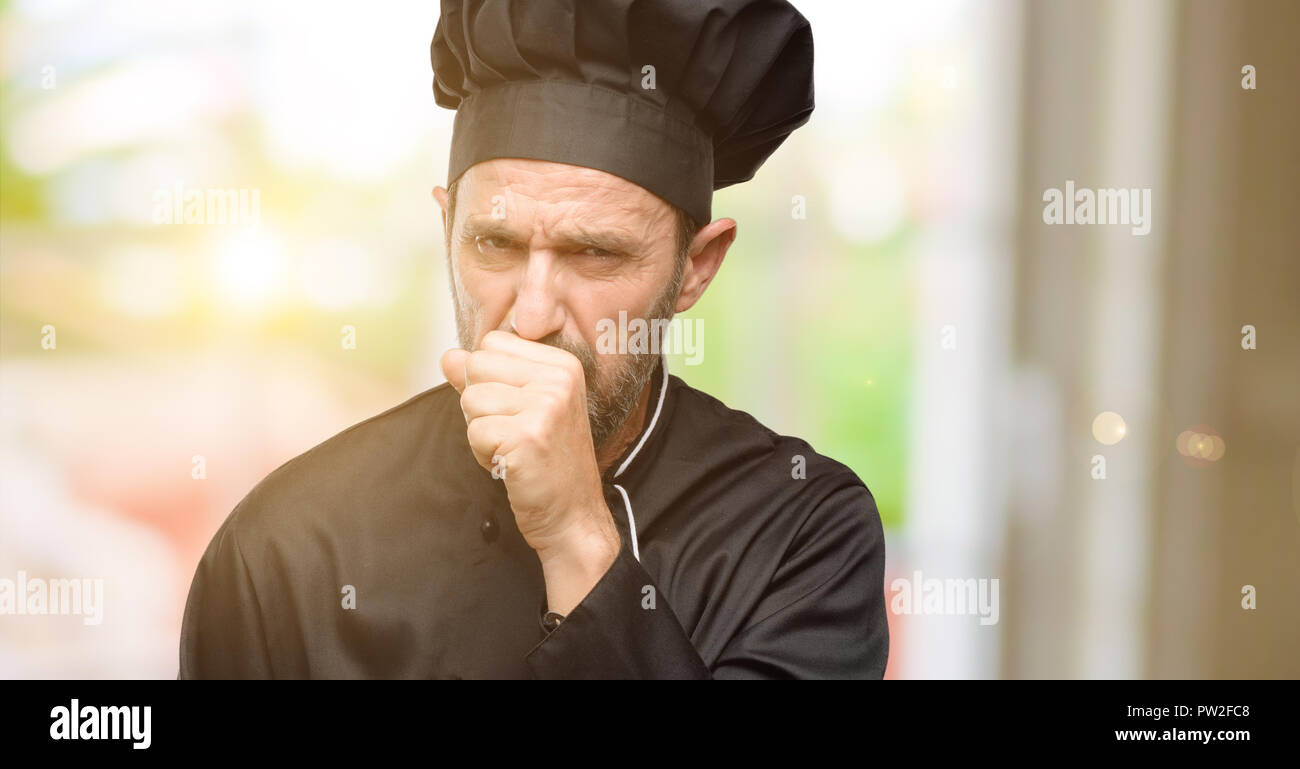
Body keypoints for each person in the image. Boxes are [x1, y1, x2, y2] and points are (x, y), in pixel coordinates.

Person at [179, 0, 888, 679]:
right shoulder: (287, 545)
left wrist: (575, 531)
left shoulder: (801, 535)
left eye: (596, 254)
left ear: (695, 268)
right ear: (446, 228)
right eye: (495, 243)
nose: (532, 314)